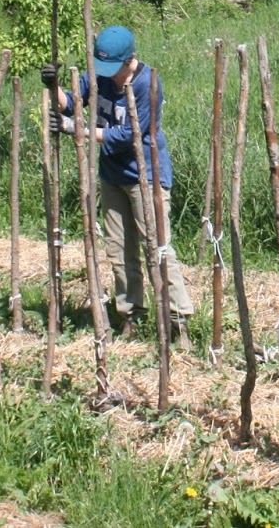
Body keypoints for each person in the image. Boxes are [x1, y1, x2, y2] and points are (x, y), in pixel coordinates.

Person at [42, 25, 193, 349]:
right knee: (120, 251)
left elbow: (128, 135)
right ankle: (131, 316)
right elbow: (68, 104)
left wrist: (74, 129)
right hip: (113, 176)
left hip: (145, 175)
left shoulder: (147, 84)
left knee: (157, 248)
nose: (110, 77)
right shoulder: (98, 76)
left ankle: (178, 324)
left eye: (115, 70)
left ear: (131, 60)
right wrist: (53, 86)